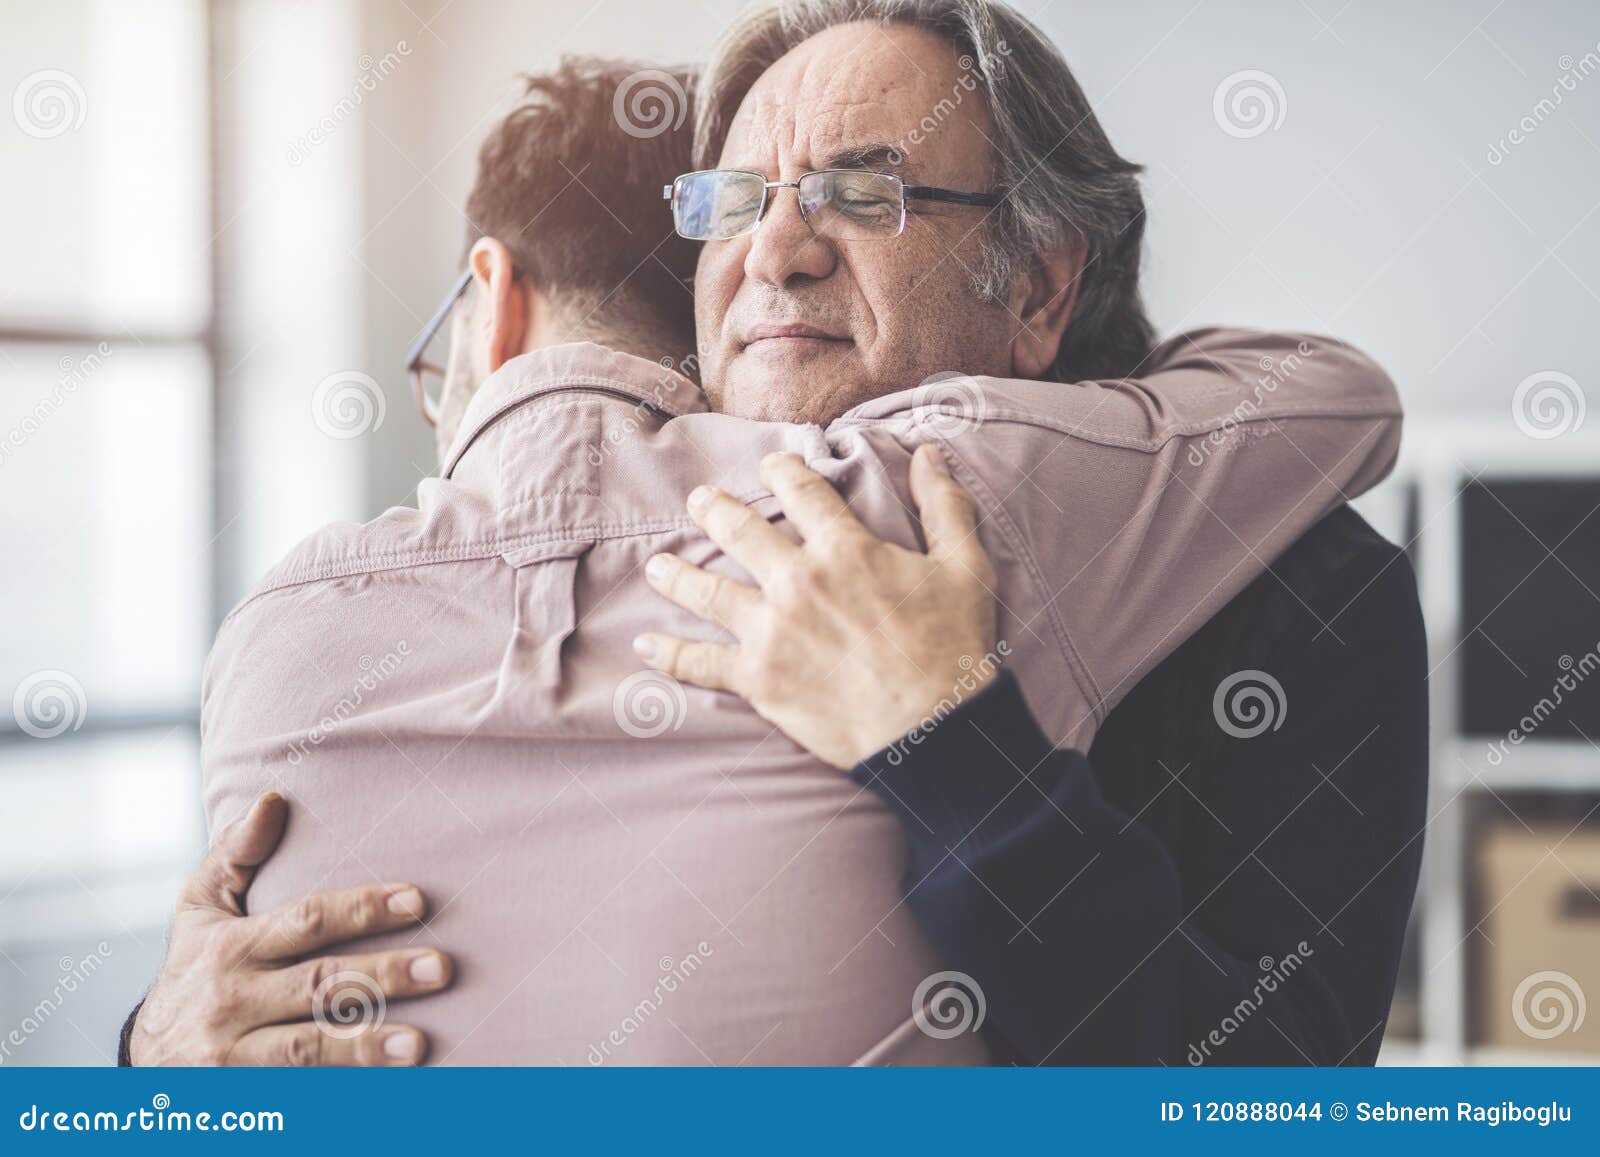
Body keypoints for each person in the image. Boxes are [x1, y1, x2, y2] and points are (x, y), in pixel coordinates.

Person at [125, 2, 1422, 1067]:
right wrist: (153, 1047)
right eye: (735, 201)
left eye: (864, 192)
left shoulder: (1299, 585)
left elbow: (1277, 1102)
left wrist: (951, 742)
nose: (779, 248)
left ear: (1035, 286)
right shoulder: (537, 585)